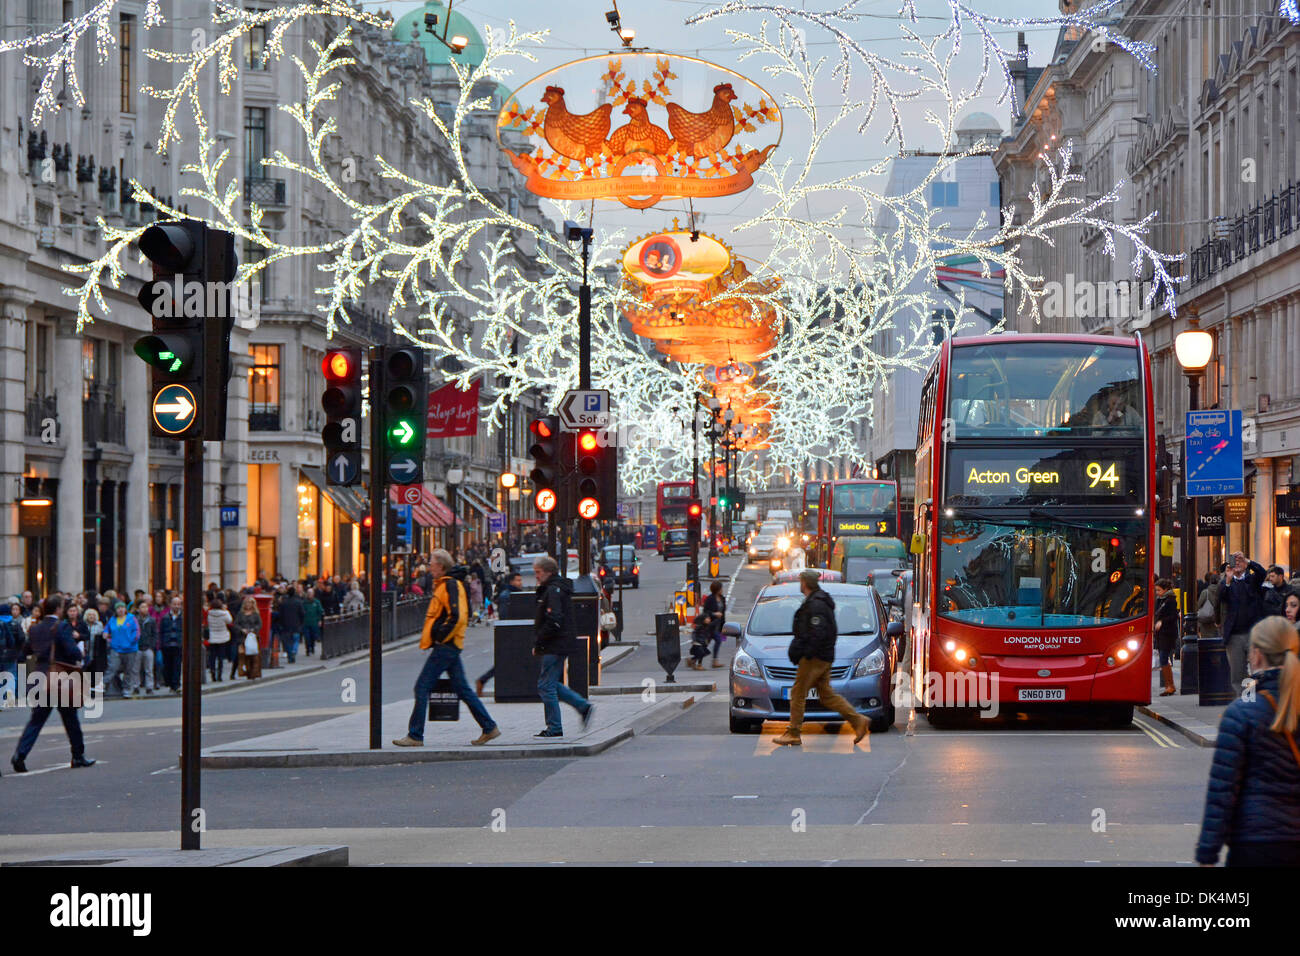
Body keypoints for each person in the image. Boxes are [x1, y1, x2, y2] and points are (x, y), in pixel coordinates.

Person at [1196, 616, 1300, 866]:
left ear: (1256, 655)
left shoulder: (1241, 713)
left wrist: (1208, 853)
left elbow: (1222, 791)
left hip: (1254, 843)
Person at [392, 550, 500, 747]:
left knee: (422, 686)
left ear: (441, 566)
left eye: (432, 563)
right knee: (463, 689)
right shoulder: (444, 585)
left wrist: (440, 637)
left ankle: (415, 735)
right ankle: (489, 727)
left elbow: (456, 616)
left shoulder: (450, 585)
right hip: (449, 645)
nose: (429, 567)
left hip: (447, 645)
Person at [774, 570, 870, 746]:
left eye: (801, 581)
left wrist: (806, 652)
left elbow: (817, 633)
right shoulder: (817, 601)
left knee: (797, 692)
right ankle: (858, 721)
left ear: (805, 583)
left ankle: (793, 732)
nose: (800, 584)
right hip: (823, 656)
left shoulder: (816, 605)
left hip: (815, 658)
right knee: (826, 696)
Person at [9, 595, 95, 773]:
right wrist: (80, 657)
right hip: (58, 678)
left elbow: (25, 652)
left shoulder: (35, 629)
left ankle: (20, 755)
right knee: (71, 718)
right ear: (58, 609)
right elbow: (72, 651)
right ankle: (78, 755)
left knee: (36, 720)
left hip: (39, 677)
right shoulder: (61, 626)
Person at [531, 555, 595, 738]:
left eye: (538, 572)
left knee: (545, 686)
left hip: (555, 643)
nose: (536, 576)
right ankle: (583, 707)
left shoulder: (553, 590)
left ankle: (555, 727)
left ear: (548, 572)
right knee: (550, 683)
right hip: (560, 642)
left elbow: (554, 620)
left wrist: (540, 642)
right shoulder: (556, 588)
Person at [1221, 551, 1266, 690]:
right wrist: (1228, 581)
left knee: (1258, 670)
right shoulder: (1227, 583)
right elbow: (1221, 598)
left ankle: (1258, 701)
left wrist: (1249, 561)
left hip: (1253, 633)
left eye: (1240, 561)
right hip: (1234, 635)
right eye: (1235, 562)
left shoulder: (1252, 580)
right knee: (1238, 673)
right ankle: (1246, 701)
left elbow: (1262, 573)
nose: (1238, 564)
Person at [103, 601, 139, 698]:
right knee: (112, 668)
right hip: (116, 648)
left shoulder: (132, 618)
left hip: (130, 649)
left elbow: (136, 632)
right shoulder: (113, 619)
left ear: (125, 609)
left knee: (128, 670)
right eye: (118, 608)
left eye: (122, 608)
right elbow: (106, 629)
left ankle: (126, 689)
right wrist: (106, 634)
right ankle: (102, 686)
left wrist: (131, 641)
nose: (120, 610)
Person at [1153, 578, 1179, 696]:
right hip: (1160, 634)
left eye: (1159, 590)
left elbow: (1173, 616)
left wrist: (1161, 622)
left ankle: (1170, 685)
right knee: (1163, 658)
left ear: (1166, 589)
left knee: (1164, 657)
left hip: (1167, 633)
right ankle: (1169, 685)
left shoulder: (1171, 600)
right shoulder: (1159, 600)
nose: (1157, 592)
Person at [234, 597, 263, 680]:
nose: (248, 605)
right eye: (246, 603)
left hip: (252, 638)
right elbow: (236, 624)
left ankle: (253, 673)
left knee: (253, 656)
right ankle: (241, 672)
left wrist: (253, 630)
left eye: (250, 603)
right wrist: (241, 630)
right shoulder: (240, 614)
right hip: (242, 638)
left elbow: (259, 624)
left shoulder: (255, 614)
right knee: (242, 656)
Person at [159, 597, 183, 692]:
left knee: (177, 665)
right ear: (170, 605)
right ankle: (169, 682)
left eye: (178, 604)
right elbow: (161, 631)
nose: (176, 606)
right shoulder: (165, 617)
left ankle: (176, 685)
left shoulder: (183, 617)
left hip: (178, 645)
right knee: (167, 665)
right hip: (167, 645)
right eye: (174, 604)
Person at [206, 598, 233, 681]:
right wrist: (225, 610)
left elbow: (207, 622)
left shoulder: (209, 614)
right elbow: (230, 621)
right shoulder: (225, 614)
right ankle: (219, 674)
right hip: (222, 637)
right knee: (221, 657)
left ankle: (213, 671)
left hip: (212, 636)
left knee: (212, 656)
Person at [134, 601, 157, 695]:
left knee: (149, 669)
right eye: (142, 607)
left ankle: (149, 687)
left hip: (148, 646)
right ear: (138, 609)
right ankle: (136, 686)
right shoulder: (135, 620)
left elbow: (154, 634)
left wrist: (152, 645)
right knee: (135, 669)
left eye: (146, 607)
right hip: (137, 647)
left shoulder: (151, 620)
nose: (144, 609)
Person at [278, 586, 304, 663]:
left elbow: (280, 615)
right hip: (296, 624)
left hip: (286, 625)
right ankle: (294, 651)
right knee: (296, 640)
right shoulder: (298, 602)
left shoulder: (284, 603)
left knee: (287, 641)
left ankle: (290, 655)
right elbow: (302, 613)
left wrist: (281, 624)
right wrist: (301, 623)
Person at [302, 587, 324, 657]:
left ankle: (312, 647)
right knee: (307, 637)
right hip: (306, 622)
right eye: (308, 593)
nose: (309, 595)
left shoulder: (316, 602)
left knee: (313, 636)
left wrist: (319, 620)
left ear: (313, 594)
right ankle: (307, 649)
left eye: (311, 593)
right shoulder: (304, 602)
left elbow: (320, 611)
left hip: (314, 622)